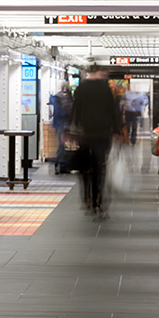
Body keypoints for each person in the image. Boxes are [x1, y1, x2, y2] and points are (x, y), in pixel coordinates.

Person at [71, 65, 121, 220]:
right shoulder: (105, 89)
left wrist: (73, 128)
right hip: (103, 133)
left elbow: (76, 109)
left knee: (86, 166)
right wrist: (117, 131)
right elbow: (113, 110)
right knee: (100, 165)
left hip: (86, 133)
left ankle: (87, 196)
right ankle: (98, 199)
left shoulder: (82, 88)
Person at [49, 82, 73, 174]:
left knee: (62, 144)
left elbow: (57, 111)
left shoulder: (57, 97)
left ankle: (60, 164)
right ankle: (61, 164)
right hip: (63, 124)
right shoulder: (66, 98)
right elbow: (62, 112)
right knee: (62, 145)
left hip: (61, 124)